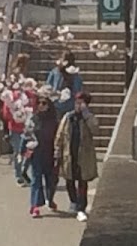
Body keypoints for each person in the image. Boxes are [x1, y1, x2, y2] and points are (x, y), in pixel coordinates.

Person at [55, 91, 99, 222]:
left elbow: (95, 130)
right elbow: (60, 134)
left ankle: (81, 207)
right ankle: (73, 202)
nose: (78, 105)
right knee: (69, 179)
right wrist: (57, 150)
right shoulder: (68, 117)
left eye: (81, 103)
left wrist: (86, 115)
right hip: (69, 153)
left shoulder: (89, 118)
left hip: (83, 155)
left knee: (82, 181)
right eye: (77, 102)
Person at [24, 95, 60, 217]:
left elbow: (59, 136)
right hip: (37, 152)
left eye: (44, 103)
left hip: (50, 152)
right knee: (36, 179)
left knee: (51, 180)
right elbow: (26, 135)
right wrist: (24, 150)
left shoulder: (53, 120)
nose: (41, 105)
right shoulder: (33, 119)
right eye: (39, 103)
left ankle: (50, 199)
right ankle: (35, 206)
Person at [45, 53, 83, 118]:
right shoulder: (76, 75)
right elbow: (78, 91)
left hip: (57, 105)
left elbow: (48, 87)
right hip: (69, 106)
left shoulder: (55, 72)